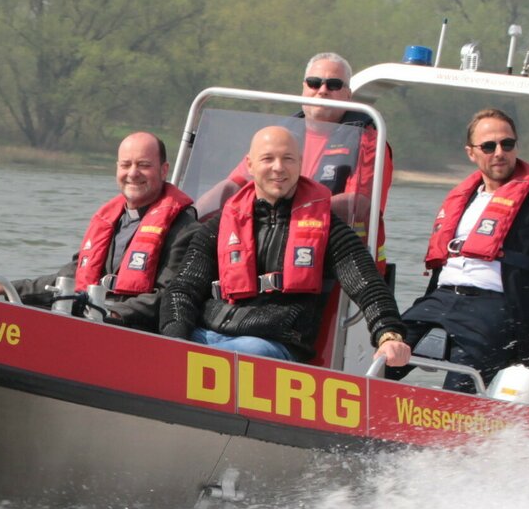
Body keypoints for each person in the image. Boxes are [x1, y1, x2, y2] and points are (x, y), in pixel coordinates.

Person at [162, 126, 412, 367]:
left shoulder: (327, 228)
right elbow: (183, 288)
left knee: (248, 352)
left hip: (269, 345)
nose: (278, 168)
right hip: (207, 334)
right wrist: (174, 340)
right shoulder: (219, 226)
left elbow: (367, 284)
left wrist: (389, 335)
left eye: (288, 159)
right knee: (160, 338)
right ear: (250, 165)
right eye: (268, 159)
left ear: (300, 163)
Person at [397, 108, 529, 392]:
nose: (499, 152)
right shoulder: (460, 200)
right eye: (489, 146)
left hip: (496, 308)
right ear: (471, 153)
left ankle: (453, 426)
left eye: (507, 144)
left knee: (459, 387)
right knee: (385, 349)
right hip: (440, 301)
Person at [0, 132, 198, 329]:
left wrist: (110, 314)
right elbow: (68, 280)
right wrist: (5, 287)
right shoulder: (109, 220)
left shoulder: (183, 228)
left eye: (144, 165)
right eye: (126, 165)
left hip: (129, 328)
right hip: (90, 320)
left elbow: (169, 296)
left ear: (164, 170)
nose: (133, 173)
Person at [193, 52, 396, 258]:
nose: (322, 91)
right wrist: (190, 217)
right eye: (314, 83)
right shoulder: (279, 135)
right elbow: (233, 185)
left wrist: (285, 214)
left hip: (341, 260)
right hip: (274, 251)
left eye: (333, 85)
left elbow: (358, 204)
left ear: (348, 95)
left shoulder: (368, 142)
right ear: (304, 88)